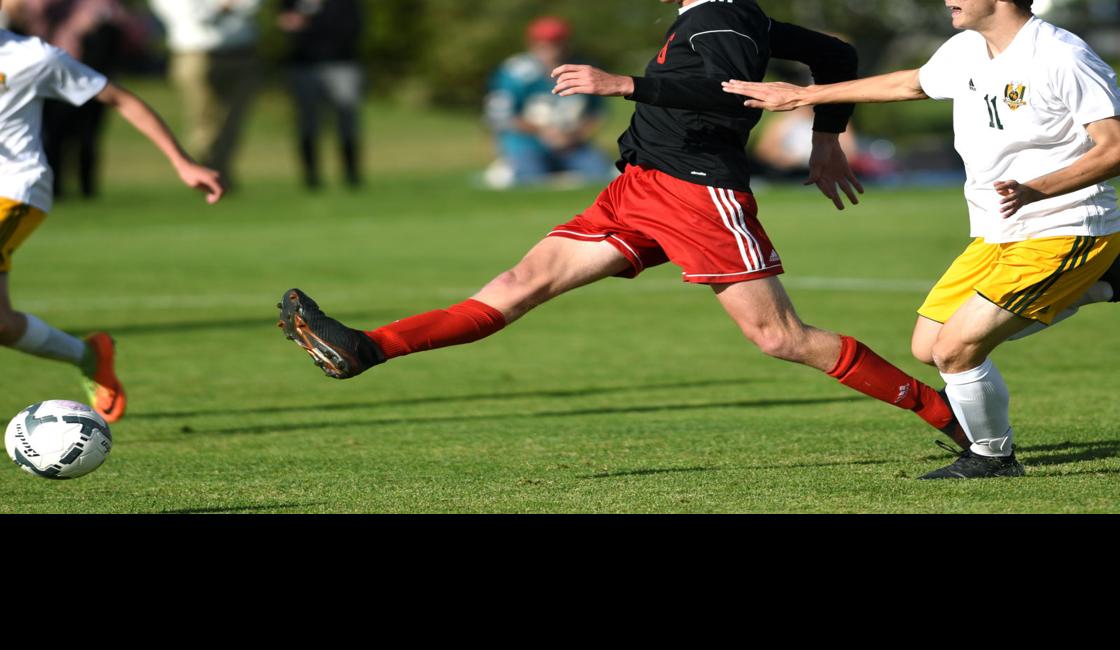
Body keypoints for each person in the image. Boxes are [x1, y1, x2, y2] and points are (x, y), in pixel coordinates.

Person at [276, 0, 973, 457]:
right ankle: (368, 348)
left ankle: (950, 417)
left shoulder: (719, 16)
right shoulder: (722, 13)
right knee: (518, 284)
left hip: (696, 194)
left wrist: (624, 85)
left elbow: (728, 93)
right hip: (637, 189)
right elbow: (837, 59)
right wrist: (826, 140)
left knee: (778, 337)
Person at [724, 0, 1120, 479]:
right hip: (996, 231)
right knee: (929, 347)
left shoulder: (1063, 55)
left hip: (1065, 226)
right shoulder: (967, 49)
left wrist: (1035, 189)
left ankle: (992, 457)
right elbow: (909, 83)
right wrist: (805, 96)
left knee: (956, 352)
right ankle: (1101, 285)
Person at [0, 23, 224, 423]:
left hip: (14, 191)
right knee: (2, 323)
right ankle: (88, 354)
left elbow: (118, 98)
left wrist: (182, 161)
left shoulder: (33, 57)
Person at [16, 0, 135, 200]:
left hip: (87, 71)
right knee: (54, 136)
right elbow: (33, 13)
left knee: (87, 136)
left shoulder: (99, 6)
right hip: (50, 74)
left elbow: (118, 24)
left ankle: (86, 188)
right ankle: (55, 187)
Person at [481, 16, 610, 189]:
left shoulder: (583, 68)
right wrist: (543, 132)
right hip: (527, 143)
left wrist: (575, 136)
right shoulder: (515, 72)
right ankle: (508, 166)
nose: (550, 49)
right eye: (544, 43)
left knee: (601, 173)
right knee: (533, 178)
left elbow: (597, 113)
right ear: (532, 44)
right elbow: (501, 116)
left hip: (572, 143)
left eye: (556, 42)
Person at [148, 0, 260, 188]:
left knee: (232, 120)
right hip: (195, 53)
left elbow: (252, 5)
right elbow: (190, 14)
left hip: (241, 51)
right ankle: (205, 172)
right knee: (203, 118)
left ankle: (220, 172)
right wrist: (224, 6)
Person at [277, 0, 363, 189]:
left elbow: (352, 26)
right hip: (304, 65)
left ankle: (352, 175)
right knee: (308, 123)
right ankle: (311, 177)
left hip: (342, 63)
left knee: (347, 120)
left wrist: (310, 23)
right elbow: (287, 23)